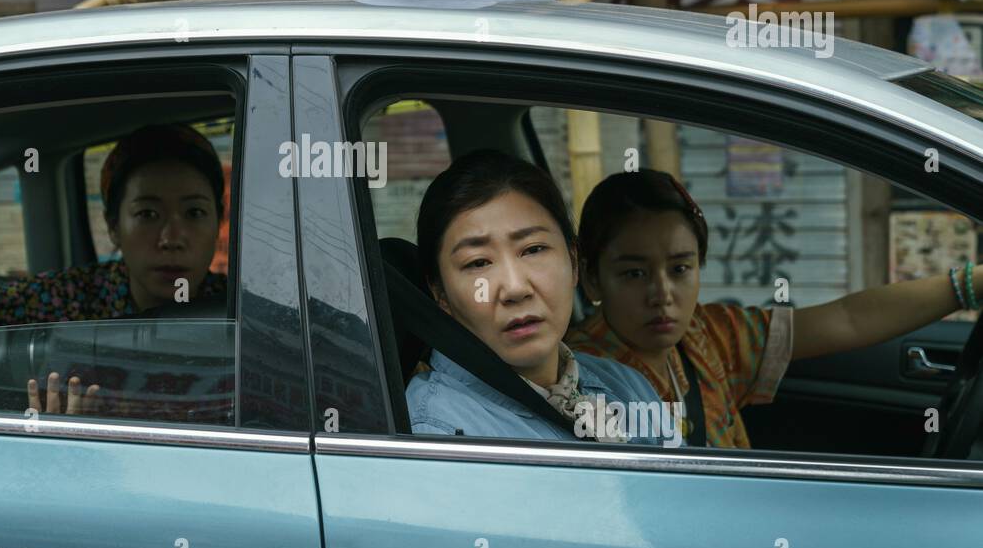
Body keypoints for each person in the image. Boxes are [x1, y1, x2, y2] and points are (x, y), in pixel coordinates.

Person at [568, 168, 983, 449]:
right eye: (634, 274)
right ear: (591, 278)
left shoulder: (707, 335)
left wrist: (968, 285)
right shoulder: (577, 375)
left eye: (680, 268)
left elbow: (847, 320)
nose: (662, 294)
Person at [0, 123, 229, 413]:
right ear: (113, 226)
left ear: (218, 222)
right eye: (147, 214)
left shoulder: (244, 311)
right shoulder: (66, 299)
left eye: (194, 213)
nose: (171, 237)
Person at [406, 150, 677, 446]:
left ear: (573, 263)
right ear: (441, 294)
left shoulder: (627, 386)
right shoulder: (439, 432)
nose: (514, 288)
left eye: (533, 249)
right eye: (478, 263)